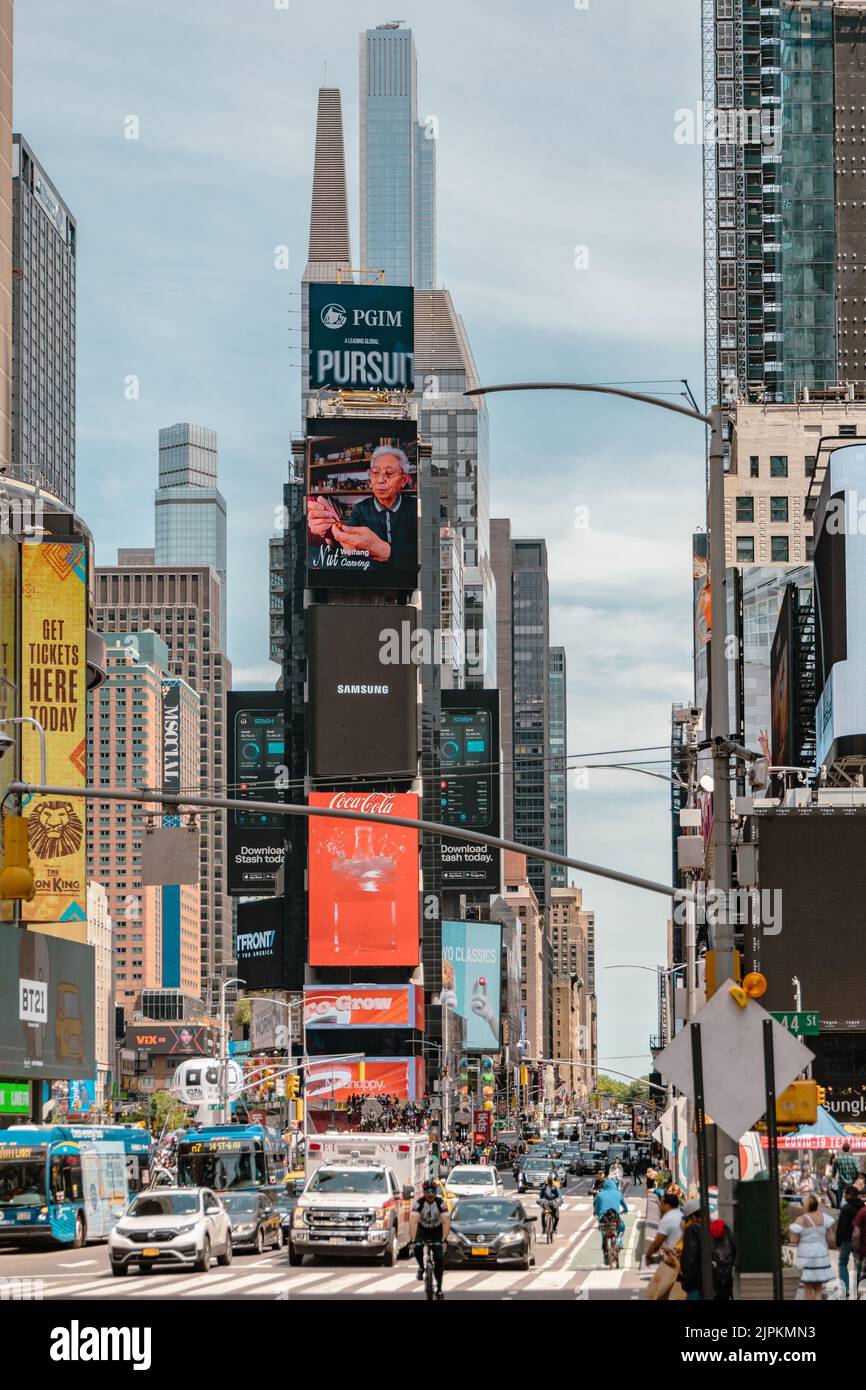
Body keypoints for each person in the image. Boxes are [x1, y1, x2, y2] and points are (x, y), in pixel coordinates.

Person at [307, 445, 416, 579]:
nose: (380, 480)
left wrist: (385, 550)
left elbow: (426, 553)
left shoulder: (416, 508)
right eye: (375, 473)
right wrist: (331, 534)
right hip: (371, 581)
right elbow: (347, 553)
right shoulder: (361, 509)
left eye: (389, 473)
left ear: (404, 480)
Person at [789, 1193, 836, 1301]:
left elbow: (794, 1240)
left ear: (806, 1205)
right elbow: (831, 1239)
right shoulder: (825, 1218)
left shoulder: (800, 1220)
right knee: (819, 1287)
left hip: (806, 1256)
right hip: (821, 1254)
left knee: (808, 1287)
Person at [410, 1177, 450, 1300]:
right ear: (424, 1192)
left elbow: (445, 1222)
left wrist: (444, 1239)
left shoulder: (441, 1203)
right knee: (417, 1246)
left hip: (437, 1230)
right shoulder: (418, 1203)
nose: (430, 1194)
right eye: (427, 1191)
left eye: (433, 1191)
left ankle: (439, 1288)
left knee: (439, 1258)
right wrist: (412, 1240)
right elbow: (414, 1222)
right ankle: (421, 1267)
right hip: (423, 1229)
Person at [835, 1184, 864, 1298]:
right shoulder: (862, 1207)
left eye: (845, 1194)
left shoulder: (846, 1208)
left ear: (849, 1195)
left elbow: (841, 1226)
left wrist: (838, 1241)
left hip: (847, 1240)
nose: (844, 1196)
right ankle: (855, 1288)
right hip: (859, 1241)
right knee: (857, 1265)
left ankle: (845, 1287)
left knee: (842, 1263)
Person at [593, 1176, 628, 1265]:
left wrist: (596, 1213)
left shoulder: (600, 1195)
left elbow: (596, 1209)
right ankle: (619, 1240)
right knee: (622, 1227)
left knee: (603, 1235)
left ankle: (605, 1255)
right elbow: (624, 1205)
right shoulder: (618, 1193)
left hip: (603, 1219)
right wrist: (625, 1209)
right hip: (615, 1218)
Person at [677, 1198, 707, 1301]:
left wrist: (685, 1284)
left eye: (686, 1219)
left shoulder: (692, 1230)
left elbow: (691, 1261)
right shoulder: (719, 1226)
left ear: (693, 1217)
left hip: (697, 1287)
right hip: (720, 1285)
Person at [643, 1191, 682, 1265]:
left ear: (667, 1205)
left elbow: (657, 1244)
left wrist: (648, 1255)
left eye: (661, 1203)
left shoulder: (667, 1219)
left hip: (673, 1259)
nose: (660, 1206)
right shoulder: (681, 1215)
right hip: (682, 1256)